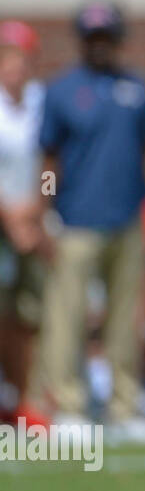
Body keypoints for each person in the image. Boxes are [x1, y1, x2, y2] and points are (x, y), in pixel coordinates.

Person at [33, 0, 145, 442]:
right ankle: (68, 405)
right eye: (93, 38)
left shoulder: (136, 88)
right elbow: (47, 160)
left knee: (125, 320)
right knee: (67, 317)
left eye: (106, 37)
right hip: (75, 220)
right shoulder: (62, 90)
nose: (100, 46)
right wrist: (45, 213)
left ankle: (123, 405)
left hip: (127, 219)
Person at [0, 20, 46, 415]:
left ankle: (27, 397)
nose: (14, 66)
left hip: (33, 223)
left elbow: (51, 165)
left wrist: (34, 210)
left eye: (20, 58)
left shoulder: (41, 104)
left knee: (32, 313)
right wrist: (10, 217)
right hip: (5, 225)